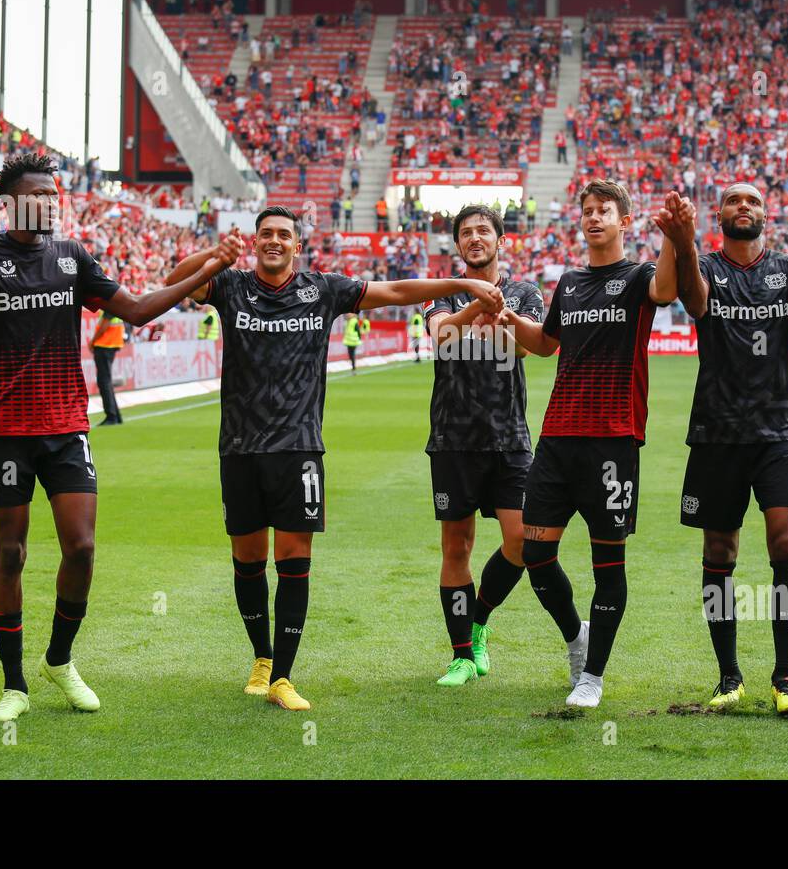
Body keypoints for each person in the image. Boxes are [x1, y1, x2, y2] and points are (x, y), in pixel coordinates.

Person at [0, 153, 238, 725]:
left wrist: (203, 272)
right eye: (40, 194)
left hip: (65, 428)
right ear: (9, 202)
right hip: (5, 432)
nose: (52, 202)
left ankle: (60, 658)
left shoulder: (72, 257)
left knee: (81, 547)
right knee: (10, 552)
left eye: (55, 194)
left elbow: (135, 309)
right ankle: (14, 685)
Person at [165, 205, 502, 711]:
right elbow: (173, 284)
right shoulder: (230, 286)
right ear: (255, 243)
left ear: (298, 245)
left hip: (300, 447)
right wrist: (213, 256)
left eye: (284, 234)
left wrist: (460, 284)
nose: (274, 241)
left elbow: (394, 291)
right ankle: (261, 657)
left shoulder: (322, 290)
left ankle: (283, 677)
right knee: (249, 560)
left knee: (295, 560)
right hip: (239, 446)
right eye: (266, 234)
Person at [657, 184, 788, 718]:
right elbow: (696, 303)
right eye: (733, 201)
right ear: (720, 215)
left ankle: (786, 677)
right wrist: (683, 242)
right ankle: (728, 676)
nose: (743, 206)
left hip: (779, 432)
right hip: (717, 434)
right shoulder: (707, 269)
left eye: (753, 201)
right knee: (719, 554)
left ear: (765, 215)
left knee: (786, 545)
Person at [498, 179, 682, 708]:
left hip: (613, 442)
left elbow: (669, 291)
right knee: (535, 552)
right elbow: (546, 343)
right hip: (557, 438)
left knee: (609, 565)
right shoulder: (570, 282)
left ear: (624, 221)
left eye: (605, 210)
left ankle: (593, 676)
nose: (594, 217)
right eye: (588, 210)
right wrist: (510, 320)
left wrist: (672, 235)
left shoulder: (641, 276)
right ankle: (577, 636)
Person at [423, 204, 544, 686]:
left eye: (483, 231)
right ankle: (460, 657)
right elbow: (442, 338)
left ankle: (478, 625)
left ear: (501, 240)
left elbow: (524, 345)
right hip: (452, 438)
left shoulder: (526, 292)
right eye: (466, 232)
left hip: (509, 437)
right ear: (457, 245)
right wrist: (480, 306)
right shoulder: (445, 292)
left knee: (522, 541)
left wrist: (494, 318)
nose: (475, 238)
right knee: (457, 546)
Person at [90, 308, 125, 426]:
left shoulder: (109, 303)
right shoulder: (115, 303)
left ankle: (111, 416)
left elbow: (104, 325)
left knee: (103, 381)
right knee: (107, 381)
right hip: (112, 344)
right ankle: (116, 415)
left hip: (105, 344)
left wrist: (92, 341)